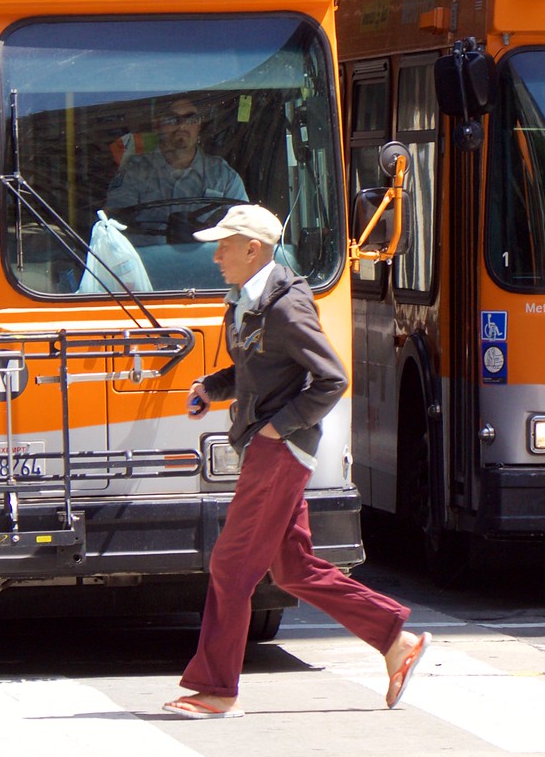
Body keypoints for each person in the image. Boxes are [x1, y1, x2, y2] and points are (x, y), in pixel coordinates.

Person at [164, 203, 429, 718]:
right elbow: (252, 367)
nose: (216, 255)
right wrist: (211, 387)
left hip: (279, 451)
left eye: (224, 245)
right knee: (293, 569)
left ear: (252, 249)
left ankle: (217, 690)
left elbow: (332, 378)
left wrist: (275, 428)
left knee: (231, 566)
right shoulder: (246, 300)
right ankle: (396, 640)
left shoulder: (285, 308)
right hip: (269, 447)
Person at [104, 95, 248, 236]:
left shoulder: (223, 175)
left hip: (208, 259)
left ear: (199, 125)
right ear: (157, 126)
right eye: (172, 119)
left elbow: (243, 230)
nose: (182, 125)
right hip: (148, 259)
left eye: (191, 118)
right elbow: (114, 231)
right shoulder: (134, 172)